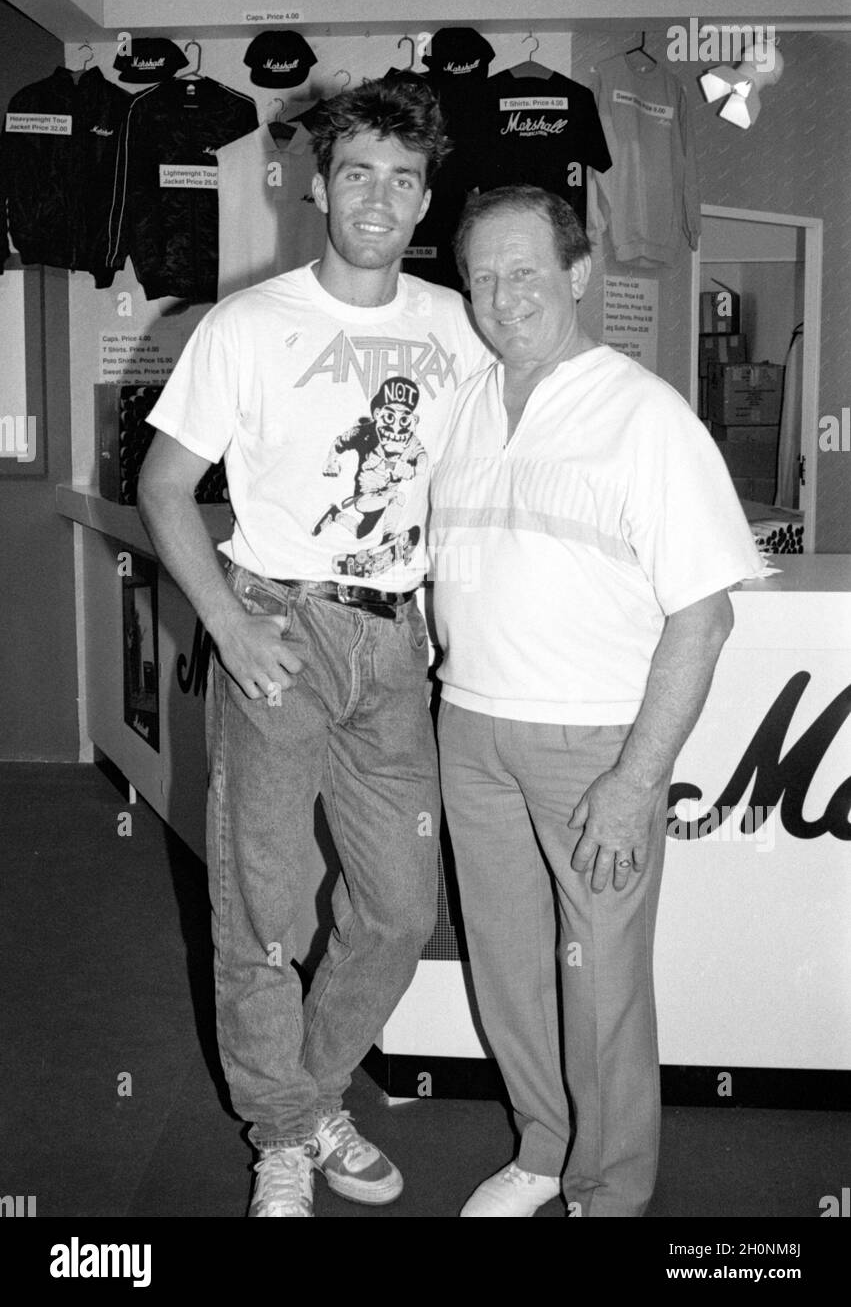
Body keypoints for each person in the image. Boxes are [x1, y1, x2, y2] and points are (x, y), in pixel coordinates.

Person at [137, 77, 490, 1218]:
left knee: (397, 909)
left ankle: (313, 1091)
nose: (378, 197)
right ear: (317, 186)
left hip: (398, 641)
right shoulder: (247, 322)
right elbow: (164, 485)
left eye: (401, 178)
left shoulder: (455, 325)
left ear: (426, 196)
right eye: (357, 173)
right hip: (279, 626)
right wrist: (231, 625)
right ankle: (283, 1137)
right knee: (264, 907)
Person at [430, 184, 766, 1218]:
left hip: (593, 746)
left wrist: (635, 778)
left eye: (525, 270)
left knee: (600, 980)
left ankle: (607, 1192)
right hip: (469, 728)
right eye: (481, 275)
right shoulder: (469, 403)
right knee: (510, 970)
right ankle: (541, 1150)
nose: (502, 294)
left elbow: (702, 619)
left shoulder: (643, 414)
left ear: (576, 274)